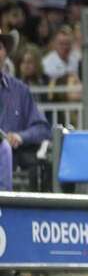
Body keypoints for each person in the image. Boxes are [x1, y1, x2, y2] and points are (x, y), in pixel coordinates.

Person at [0, 29, 50, 191]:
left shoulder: (20, 90)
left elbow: (42, 128)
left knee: (43, 164)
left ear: (5, 54)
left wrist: (20, 137)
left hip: (12, 160)